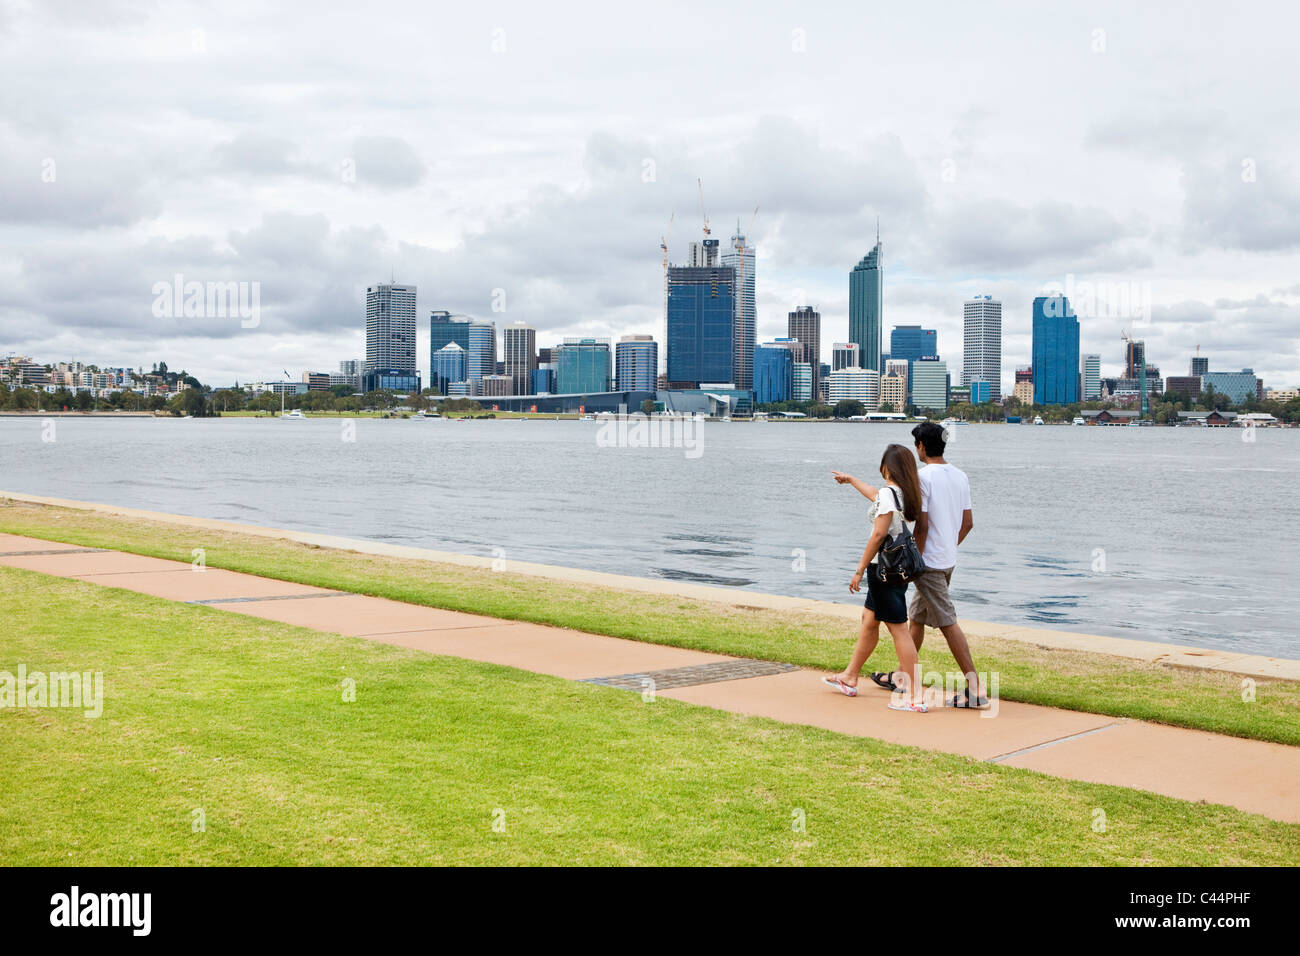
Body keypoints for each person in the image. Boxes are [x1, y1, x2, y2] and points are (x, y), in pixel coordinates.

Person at [823, 443, 928, 712]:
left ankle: (915, 696)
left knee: (898, 629)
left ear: (887, 468)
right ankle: (849, 677)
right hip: (896, 570)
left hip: (883, 571)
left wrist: (858, 570)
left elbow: (879, 534)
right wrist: (851, 480)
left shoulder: (889, 494)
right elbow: (876, 496)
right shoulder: (903, 494)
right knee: (869, 620)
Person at [908, 421, 988, 708]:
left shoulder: (922, 477)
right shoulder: (960, 476)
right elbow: (968, 523)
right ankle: (904, 675)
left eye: (915, 444)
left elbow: (922, 526)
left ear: (921, 446)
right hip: (947, 560)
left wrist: (913, 561)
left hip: (928, 564)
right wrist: (948, 547)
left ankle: (976, 690)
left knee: (947, 622)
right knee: (916, 618)